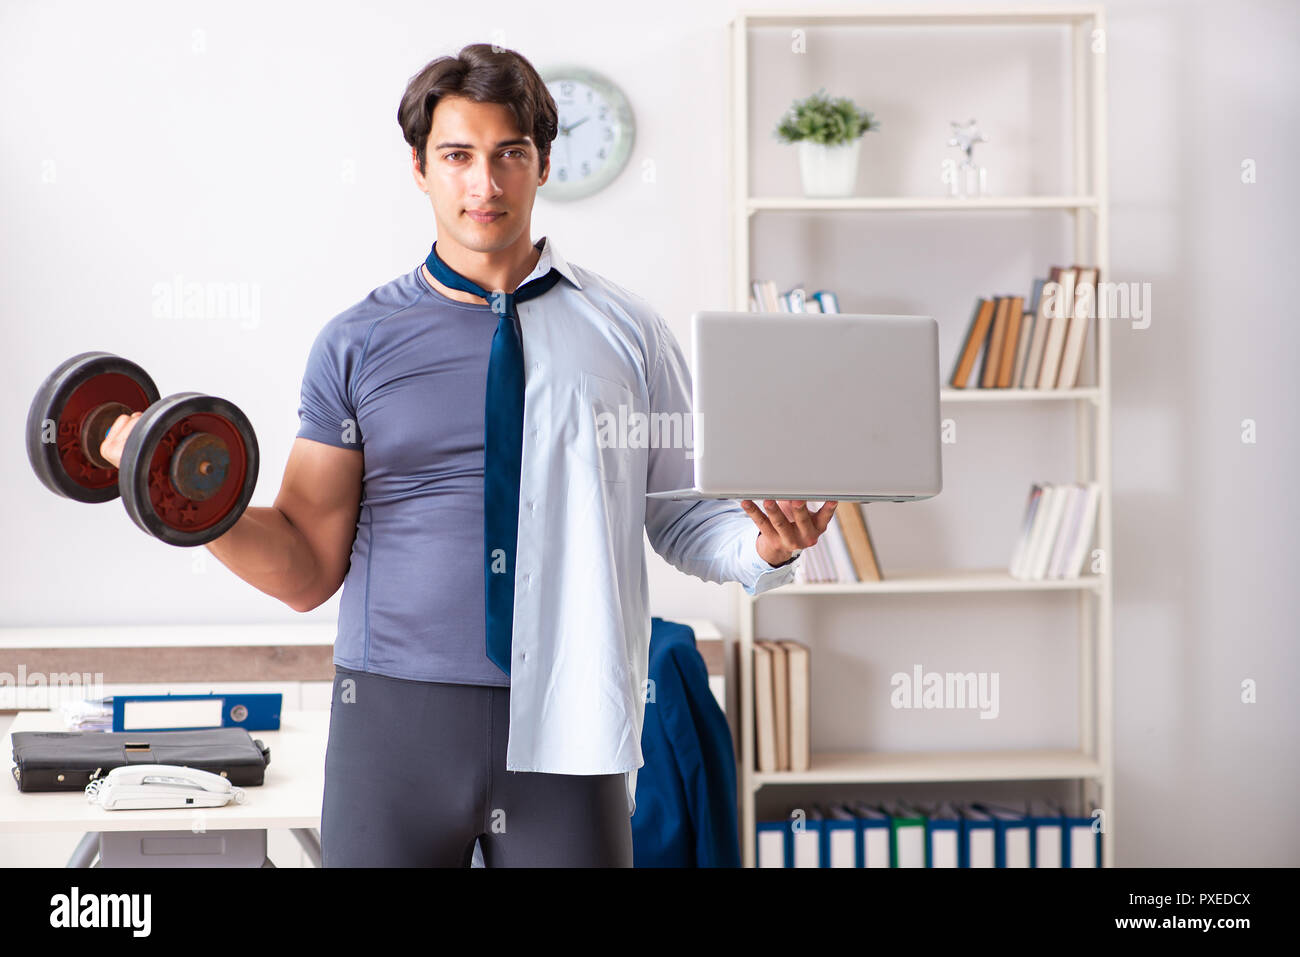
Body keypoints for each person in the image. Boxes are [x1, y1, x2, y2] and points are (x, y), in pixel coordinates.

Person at [98, 43, 837, 867]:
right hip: (395, 726)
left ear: (543, 164)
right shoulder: (357, 342)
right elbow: (306, 565)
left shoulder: (630, 332)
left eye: (508, 155)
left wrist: (764, 548)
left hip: (571, 720)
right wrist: (175, 497)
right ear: (419, 168)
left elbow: (681, 516)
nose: (483, 185)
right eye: (457, 156)